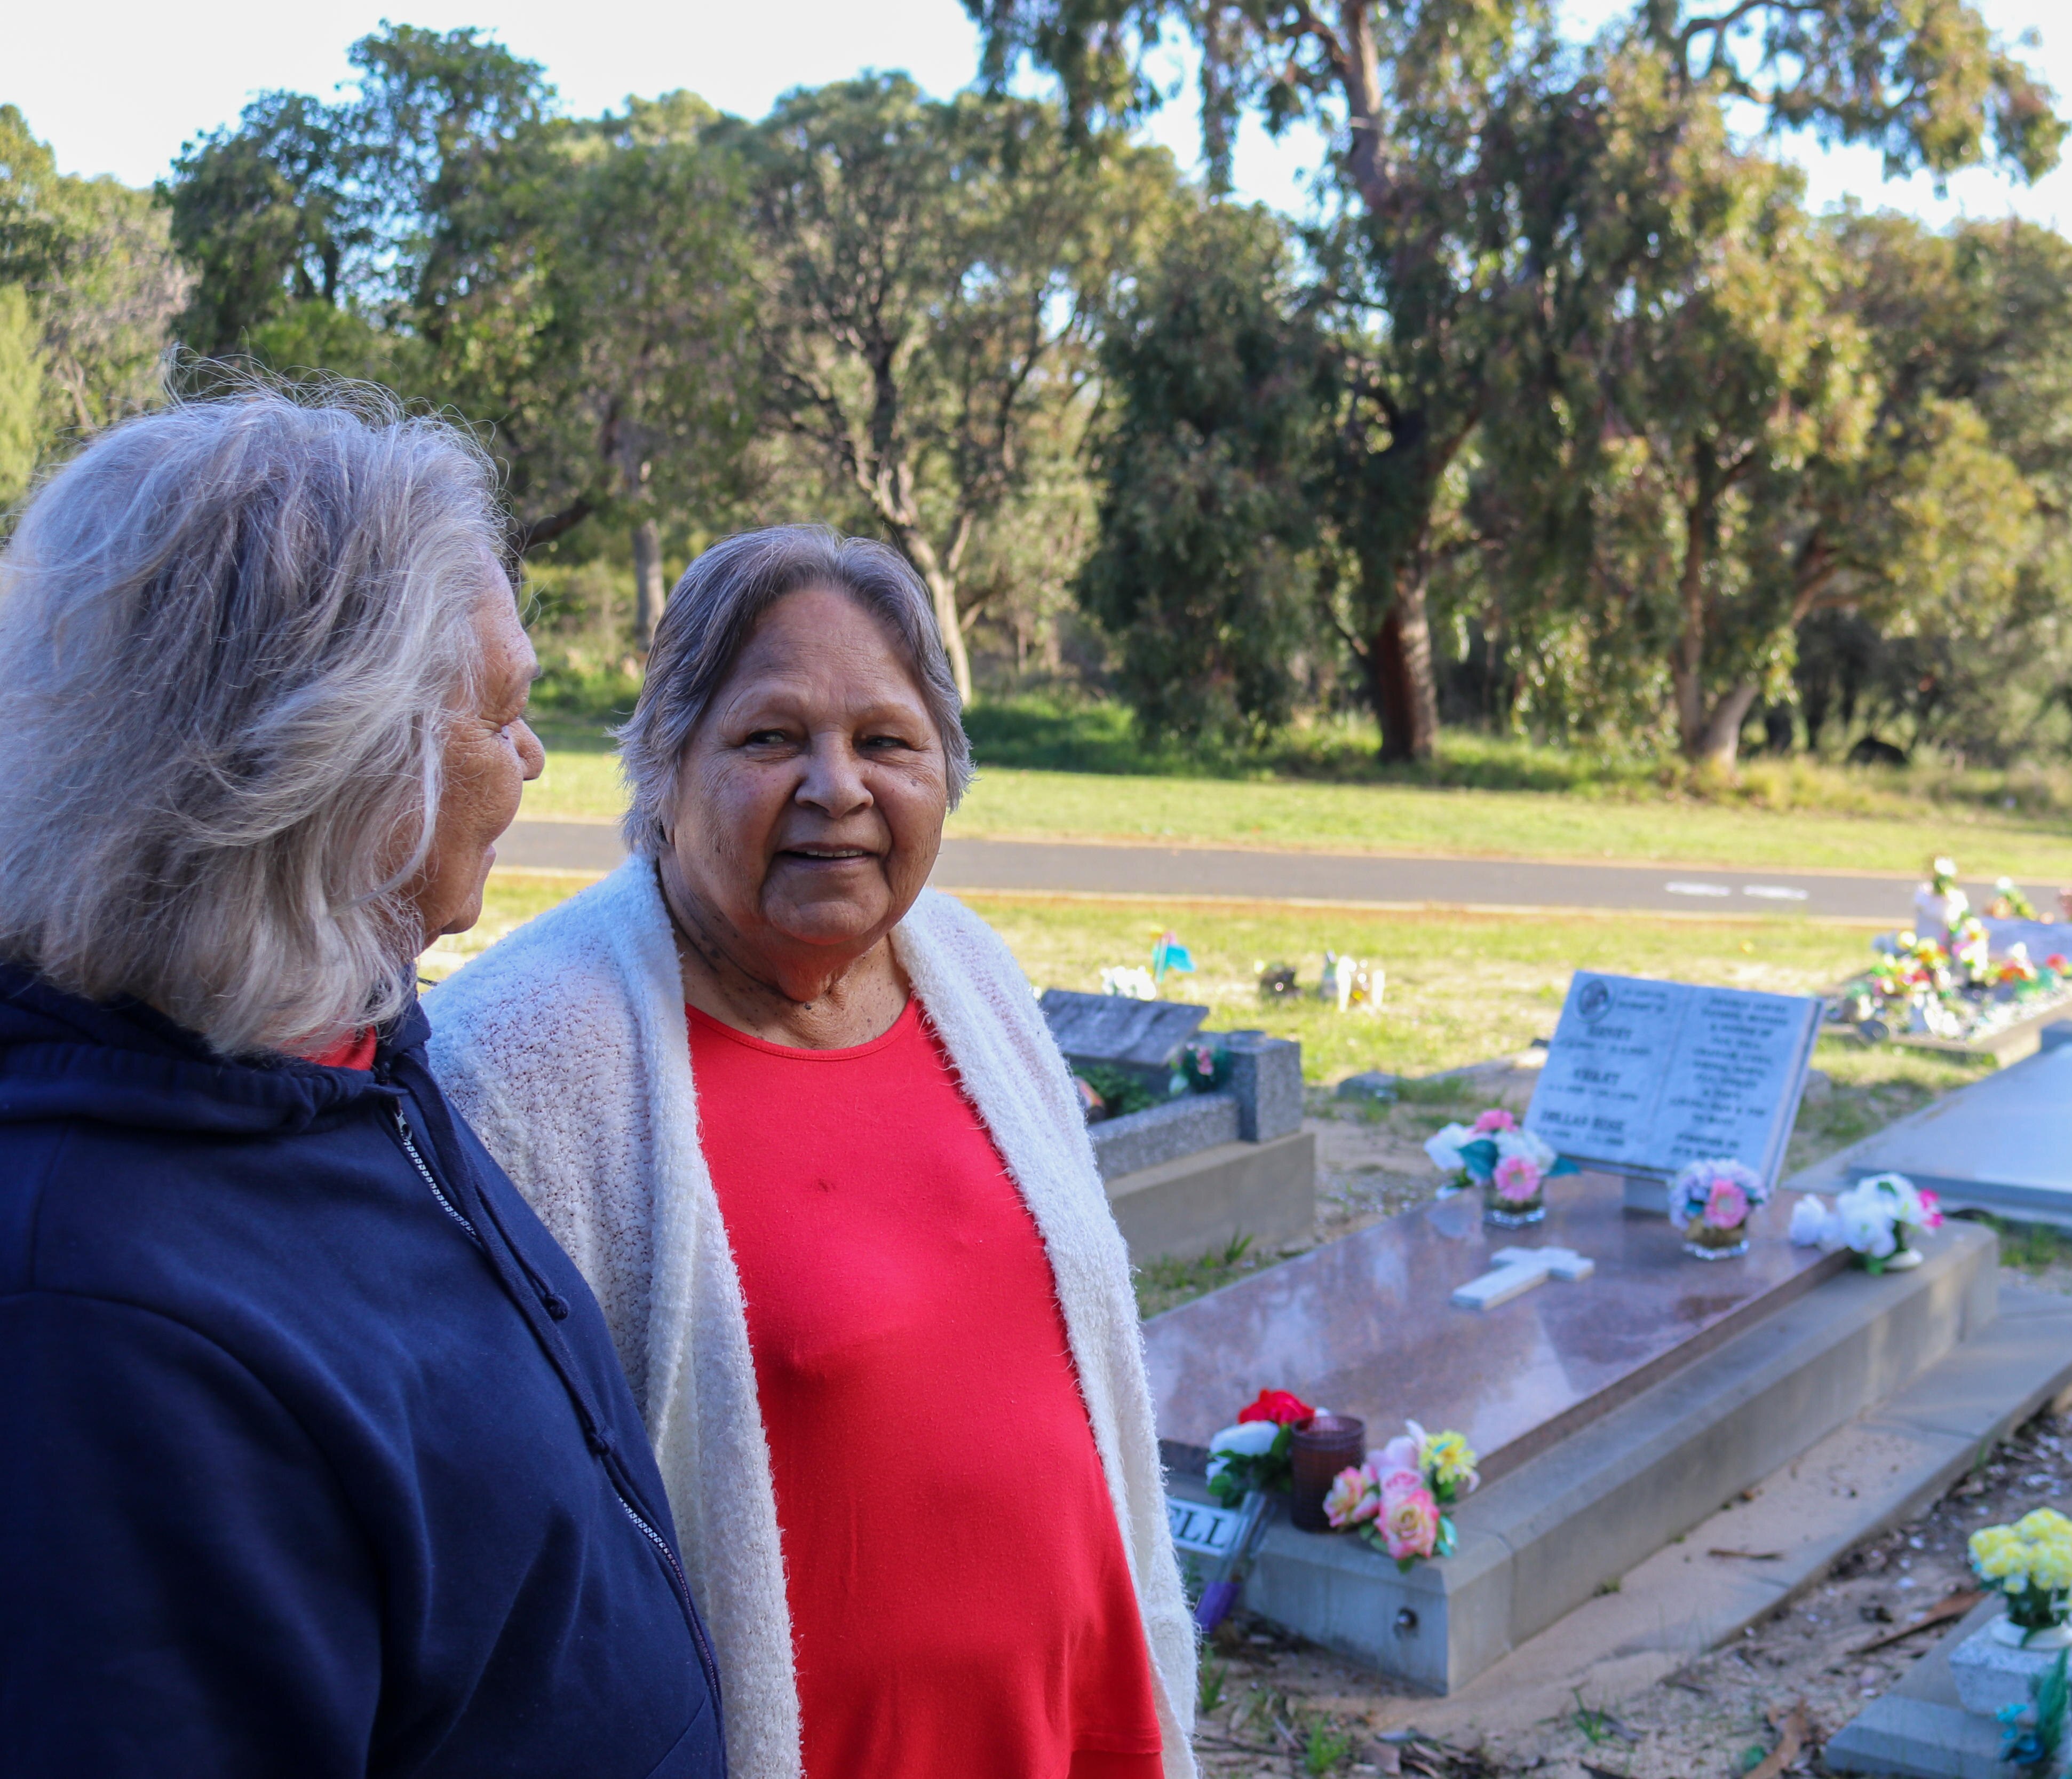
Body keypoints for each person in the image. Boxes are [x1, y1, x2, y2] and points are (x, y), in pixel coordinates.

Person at [0, 392, 726, 1778]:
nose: (532, 756)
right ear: (329, 762)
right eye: (501, 710)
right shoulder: (93, 1321)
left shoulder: (340, 1054)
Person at [427, 527, 1195, 1779]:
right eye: (771, 737)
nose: (837, 786)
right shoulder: (524, 1061)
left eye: (886, 740)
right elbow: (495, 1544)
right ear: (665, 767)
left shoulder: (968, 970)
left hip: (1073, 1728)